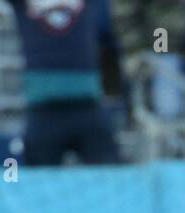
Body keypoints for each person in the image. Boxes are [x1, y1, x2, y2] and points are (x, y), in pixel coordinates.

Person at [8, 0, 122, 165]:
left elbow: (108, 41)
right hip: (43, 112)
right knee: (38, 183)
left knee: (112, 178)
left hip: (88, 107)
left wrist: (114, 91)